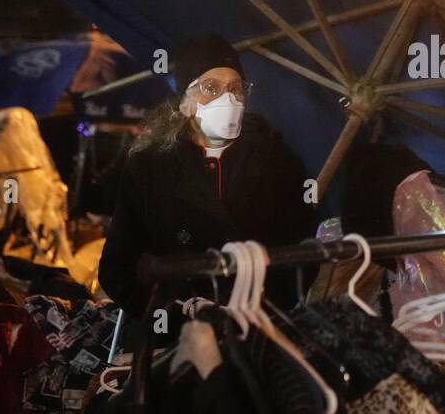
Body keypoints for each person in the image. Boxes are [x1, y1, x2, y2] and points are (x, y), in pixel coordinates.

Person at [98, 33, 316, 318]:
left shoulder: (278, 160)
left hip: (259, 329)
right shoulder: (148, 168)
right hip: (176, 337)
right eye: (210, 88)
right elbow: (118, 269)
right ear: (185, 104)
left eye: (236, 88)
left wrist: (260, 307)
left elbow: (303, 251)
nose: (227, 98)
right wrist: (181, 309)